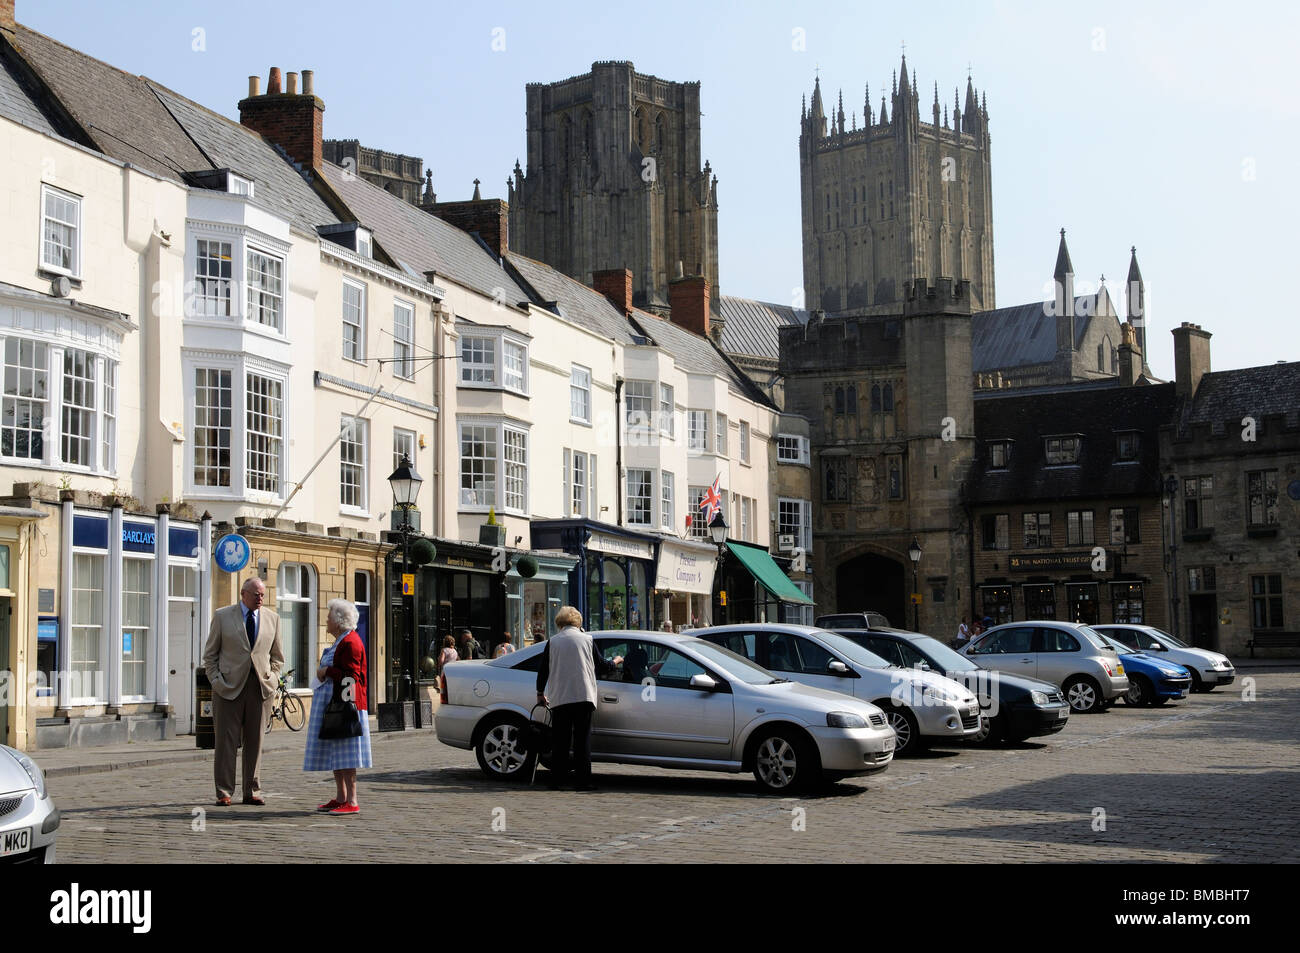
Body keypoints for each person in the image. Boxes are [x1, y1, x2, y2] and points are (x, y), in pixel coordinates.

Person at [203, 576, 284, 806]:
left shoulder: (272, 619)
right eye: (255, 594)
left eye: (262, 594)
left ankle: (252, 790)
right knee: (226, 741)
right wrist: (217, 681)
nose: (260, 598)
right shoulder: (222, 616)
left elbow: (277, 657)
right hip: (228, 688)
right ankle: (224, 791)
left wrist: (273, 678)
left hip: (260, 688)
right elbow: (210, 655)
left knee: (255, 741)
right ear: (243, 594)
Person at [535, 606, 621, 791]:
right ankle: (583, 781)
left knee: (561, 741)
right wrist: (616, 661)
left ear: (560, 622)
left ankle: (558, 780)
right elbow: (602, 666)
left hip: (561, 696)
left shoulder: (554, 642)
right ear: (577, 621)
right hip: (584, 696)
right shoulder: (587, 640)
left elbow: (544, 670)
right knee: (582, 740)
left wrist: (540, 693)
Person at [305, 599, 372, 816]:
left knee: (346, 754)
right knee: (338, 753)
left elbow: (352, 678)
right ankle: (341, 796)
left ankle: (352, 800)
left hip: (346, 707)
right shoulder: (341, 641)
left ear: (339, 621)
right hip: (336, 704)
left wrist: (327, 672)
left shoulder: (351, 643)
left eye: (329, 616)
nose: (326, 620)